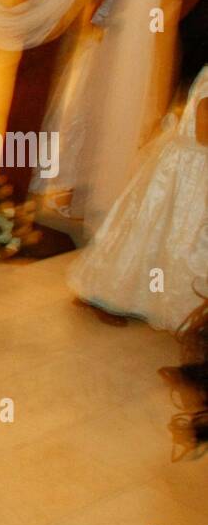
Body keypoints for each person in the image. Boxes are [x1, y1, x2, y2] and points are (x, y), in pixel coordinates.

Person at [67, 66, 208, 332]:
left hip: (192, 168)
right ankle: (103, 295)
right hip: (189, 169)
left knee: (166, 240)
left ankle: (153, 299)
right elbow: (203, 134)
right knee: (153, 236)